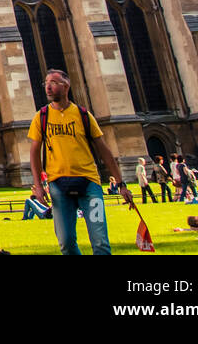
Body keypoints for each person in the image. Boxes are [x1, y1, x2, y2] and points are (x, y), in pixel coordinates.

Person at [27, 68, 133, 255]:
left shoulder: (83, 115)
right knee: (66, 243)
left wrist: (121, 183)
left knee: (100, 242)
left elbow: (105, 151)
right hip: (58, 185)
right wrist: (38, 185)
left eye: (53, 83)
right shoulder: (41, 117)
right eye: (46, 83)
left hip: (89, 183)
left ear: (66, 86)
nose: (48, 87)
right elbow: (34, 152)